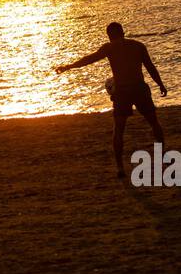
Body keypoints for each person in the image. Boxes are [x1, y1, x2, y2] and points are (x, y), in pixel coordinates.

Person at [55, 21, 168, 178]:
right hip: (139, 89)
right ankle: (163, 158)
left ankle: (120, 168)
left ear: (109, 36)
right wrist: (160, 84)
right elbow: (150, 67)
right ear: (123, 32)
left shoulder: (109, 48)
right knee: (153, 122)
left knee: (119, 129)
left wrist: (68, 67)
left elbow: (89, 59)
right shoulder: (138, 45)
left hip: (122, 91)